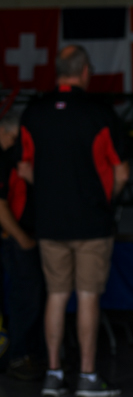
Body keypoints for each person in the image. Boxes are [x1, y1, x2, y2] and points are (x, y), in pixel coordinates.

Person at [21, 45, 130, 397]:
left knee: (55, 294)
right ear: (85, 71)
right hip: (91, 222)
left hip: (49, 222)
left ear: (56, 71)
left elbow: (24, 167)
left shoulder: (33, 113)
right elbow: (122, 172)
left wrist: (52, 192)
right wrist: (103, 200)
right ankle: (86, 377)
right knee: (87, 297)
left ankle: (53, 375)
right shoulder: (99, 113)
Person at [0, 107, 46, 381]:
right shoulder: (5, 158)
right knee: (24, 298)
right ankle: (19, 356)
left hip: (14, 237)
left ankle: (20, 355)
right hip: (16, 239)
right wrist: (22, 238)